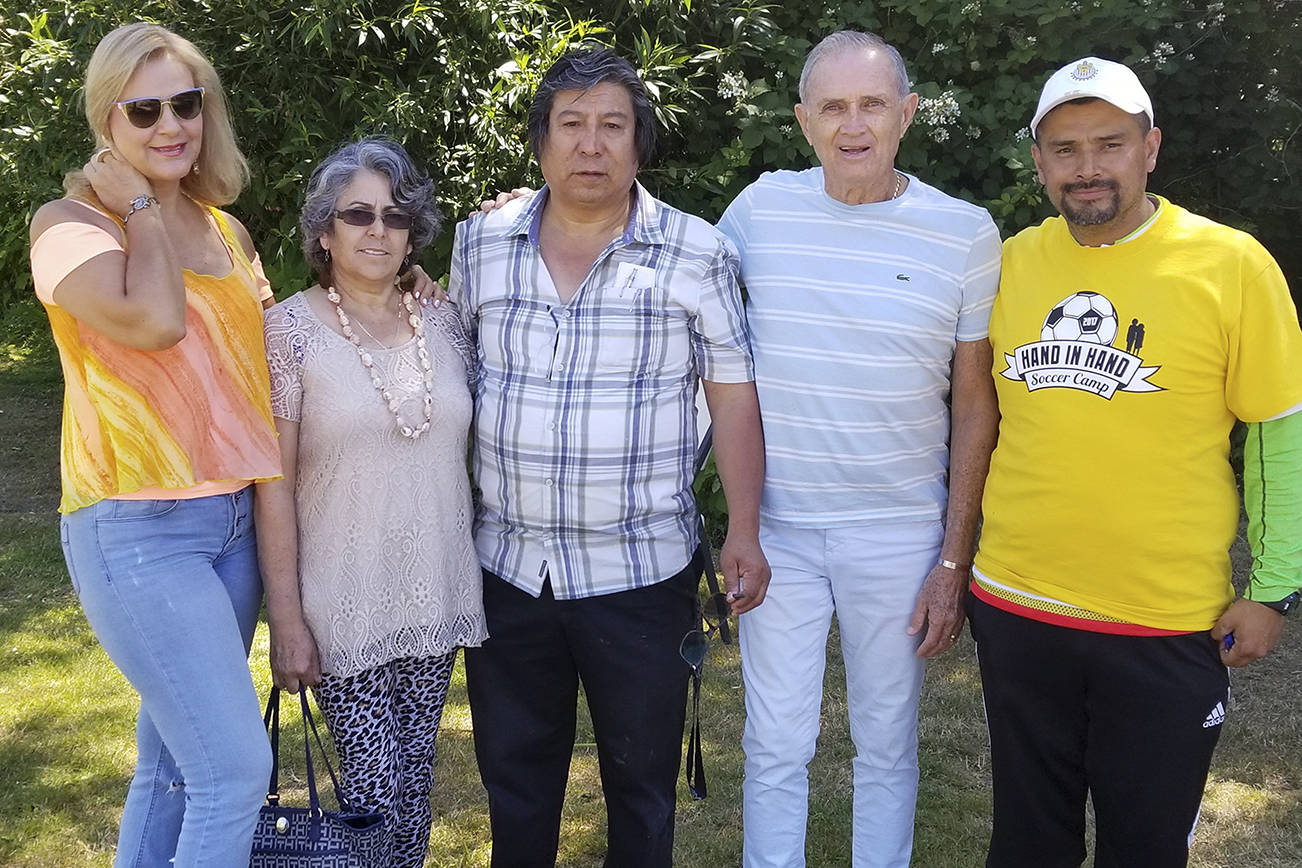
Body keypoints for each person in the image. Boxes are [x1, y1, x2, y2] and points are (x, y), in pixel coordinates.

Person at [969, 56, 1302, 868]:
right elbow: (973, 416)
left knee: (1146, 845)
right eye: (1065, 148)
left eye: (1109, 144)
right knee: (1025, 842)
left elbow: (1280, 434)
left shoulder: (1230, 264)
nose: (1087, 168)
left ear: (1150, 148)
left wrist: (1276, 587)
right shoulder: (1010, 262)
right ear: (1040, 160)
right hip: (1017, 604)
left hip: (1163, 620)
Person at [450, 46, 769, 868]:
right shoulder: (479, 243)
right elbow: (448, 374)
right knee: (515, 787)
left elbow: (733, 397)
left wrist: (745, 532)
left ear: (639, 144)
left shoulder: (698, 255)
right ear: (540, 141)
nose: (591, 145)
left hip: (640, 573)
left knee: (642, 789)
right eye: (571, 125)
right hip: (508, 570)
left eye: (612, 126)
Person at [714, 30, 1002, 868]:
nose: (853, 124)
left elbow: (976, 404)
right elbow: (658, 264)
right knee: (774, 746)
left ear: (907, 113)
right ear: (804, 122)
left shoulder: (964, 232)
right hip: (779, 534)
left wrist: (953, 562)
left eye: (872, 103)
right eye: (833, 107)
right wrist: (539, 205)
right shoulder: (757, 212)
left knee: (886, 746)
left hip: (902, 533)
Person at [28, 22, 281, 867]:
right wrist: (139, 208)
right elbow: (157, 321)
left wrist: (404, 282)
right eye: (144, 110)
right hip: (137, 531)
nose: (170, 125)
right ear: (107, 124)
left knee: (174, 769)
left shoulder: (229, 233)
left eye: (186, 103)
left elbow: (275, 359)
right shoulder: (68, 227)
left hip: (233, 526)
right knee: (237, 771)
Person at [253, 137, 486, 868]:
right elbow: (274, 486)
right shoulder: (288, 332)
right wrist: (285, 618)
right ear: (324, 232)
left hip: (434, 592)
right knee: (373, 793)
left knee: (414, 790)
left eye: (394, 216)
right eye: (357, 215)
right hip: (340, 604)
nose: (377, 230)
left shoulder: (445, 322)